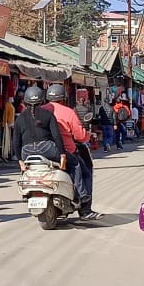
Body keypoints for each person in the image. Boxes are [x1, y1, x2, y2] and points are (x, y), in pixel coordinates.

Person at [42, 83, 99, 220]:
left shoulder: (41, 111)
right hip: (66, 150)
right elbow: (79, 135)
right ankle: (85, 208)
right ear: (63, 98)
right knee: (85, 172)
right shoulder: (68, 112)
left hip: (43, 151)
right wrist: (88, 135)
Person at [13, 86, 64, 167]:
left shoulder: (19, 118)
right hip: (47, 149)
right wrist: (62, 155)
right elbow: (56, 136)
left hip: (26, 152)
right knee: (74, 163)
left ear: (26, 101)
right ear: (42, 100)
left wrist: (20, 161)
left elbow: (16, 142)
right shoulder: (49, 115)